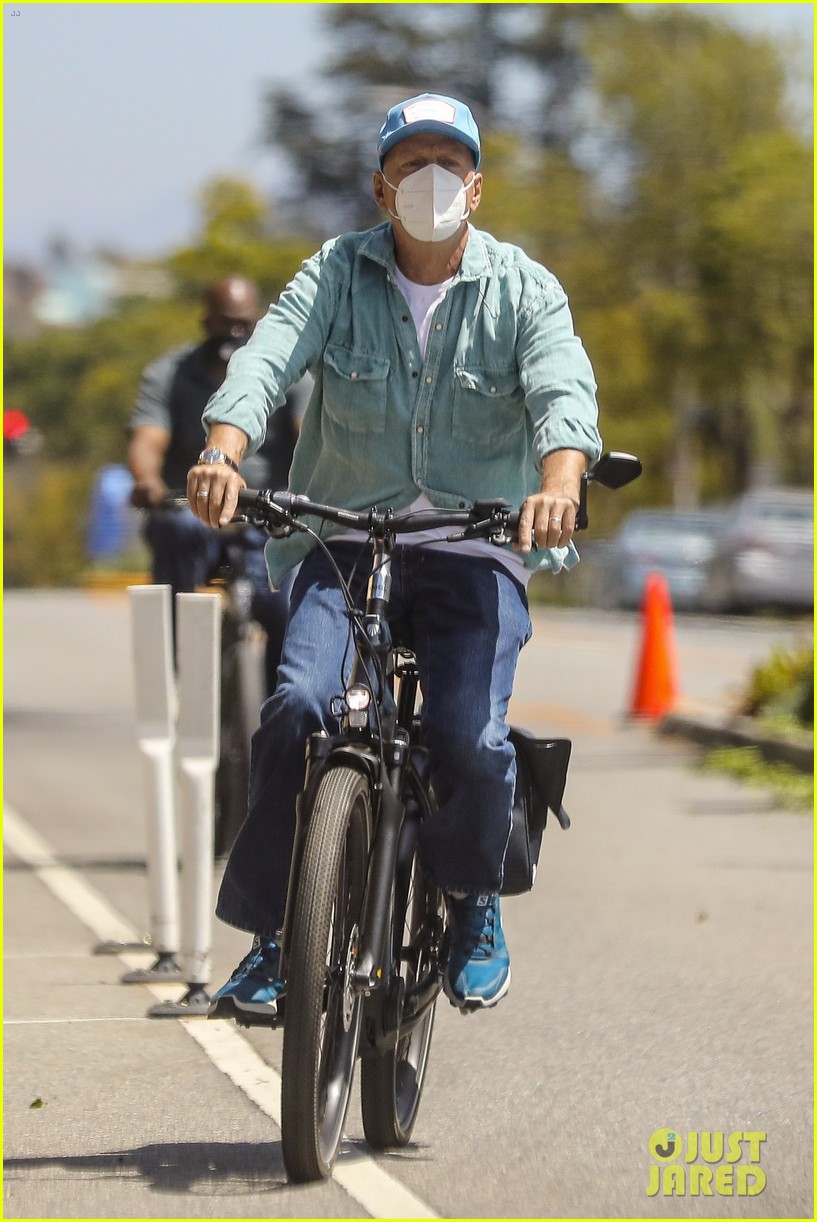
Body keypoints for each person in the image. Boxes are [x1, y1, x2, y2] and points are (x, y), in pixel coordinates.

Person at [188, 94, 602, 1023]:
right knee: (297, 706)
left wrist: (558, 481)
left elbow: (562, 391)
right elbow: (265, 360)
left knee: (468, 737)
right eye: (410, 164)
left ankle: (472, 903)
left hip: (472, 547)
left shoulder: (523, 288)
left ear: (476, 187)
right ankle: (271, 941)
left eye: (447, 165)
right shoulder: (334, 274)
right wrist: (221, 451)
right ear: (382, 188)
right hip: (341, 541)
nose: (429, 181)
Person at [127, 276, 305, 693]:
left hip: (269, 511)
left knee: (289, 606)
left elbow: (309, 431)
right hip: (193, 508)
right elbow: (148, 438)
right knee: (176, 535)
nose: (235, 336)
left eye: (245, 326)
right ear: (205, 321)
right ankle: (185, 672)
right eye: (225, 324)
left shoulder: (287, 372)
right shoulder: (169, 374)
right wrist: (147, 481)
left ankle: (280, 700)